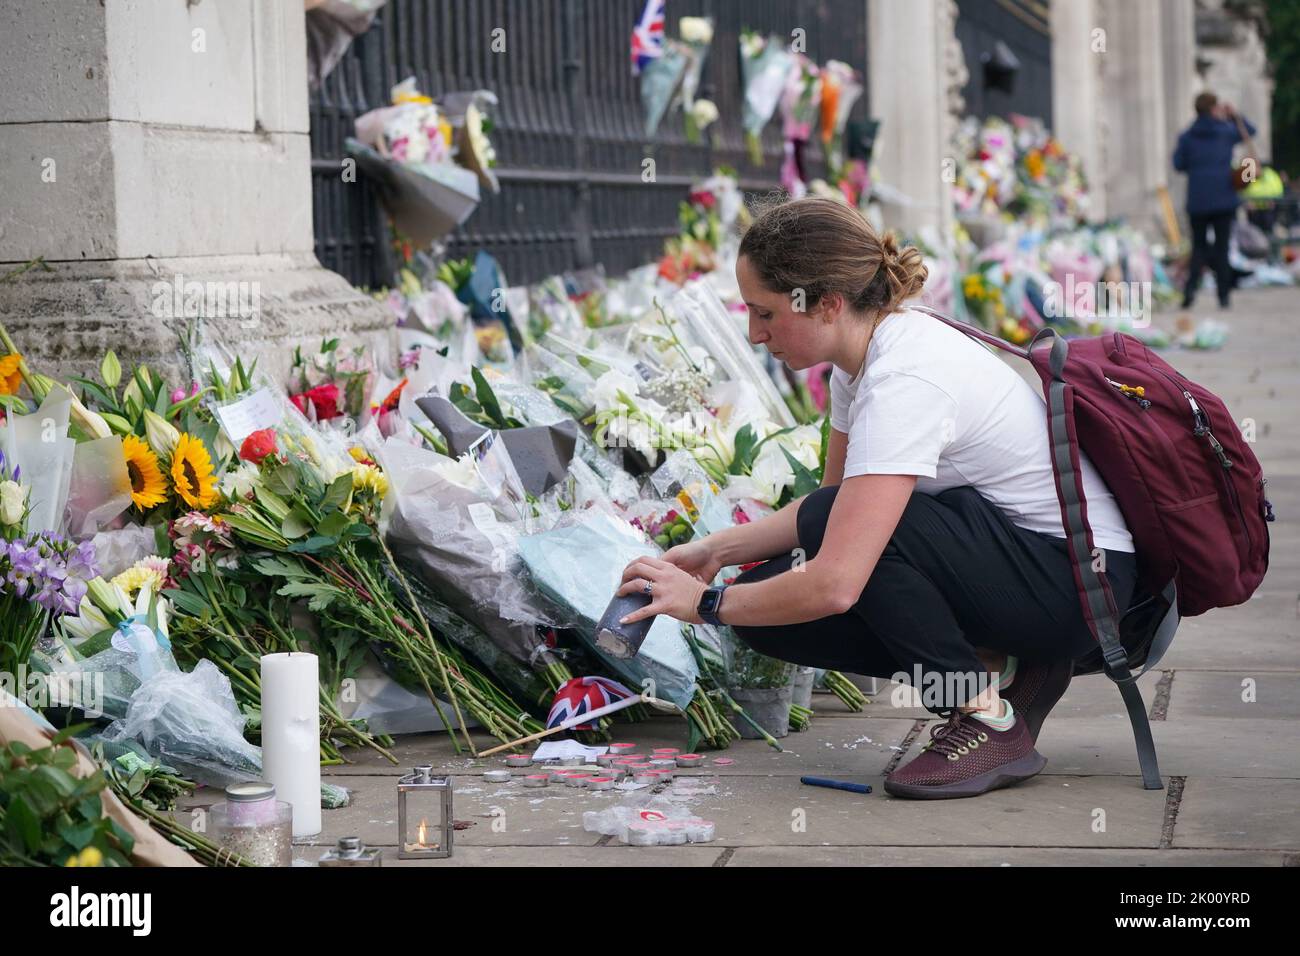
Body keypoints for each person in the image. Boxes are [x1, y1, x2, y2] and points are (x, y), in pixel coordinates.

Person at [616, 196, 1139, 800]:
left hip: (1079, 588)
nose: (754, 335)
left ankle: (984, 717)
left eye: (764, 313)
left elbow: (837, 579)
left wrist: (707, 604)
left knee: (823, 567)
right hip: (1036, 567)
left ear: (828, 304)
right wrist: (714, 552)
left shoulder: (903, 378)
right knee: (771, 615)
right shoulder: (861, 360)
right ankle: (1015, 665)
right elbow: (832, 503)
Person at [1172, 91, 1257, 309]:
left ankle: (1190, 292)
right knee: (1222, 247)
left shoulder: (1187, 136)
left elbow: (1178, 164)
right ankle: (1223, 295)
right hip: (1223, 199)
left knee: (1198, 247)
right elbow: (1250, 131)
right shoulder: (1225, 131)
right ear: (1213, 108)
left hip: (1198, 200)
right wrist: (1234, 115)